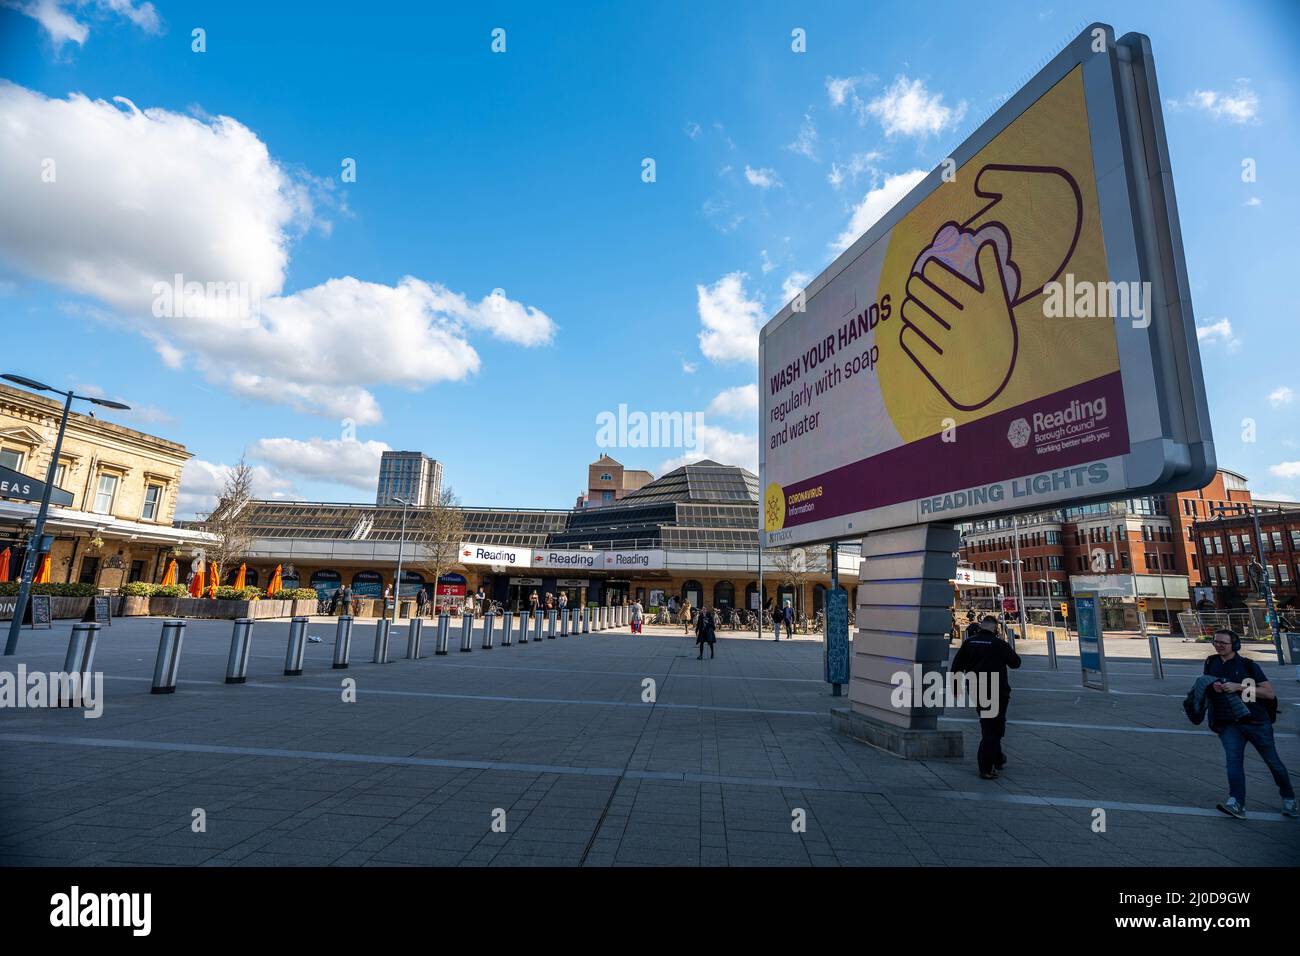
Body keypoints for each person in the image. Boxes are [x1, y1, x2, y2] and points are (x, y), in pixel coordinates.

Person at [1200, 629, 1296, 819]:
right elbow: (1208, 684)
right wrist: (1214, 688)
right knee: (1233, 763)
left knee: (1273, 762)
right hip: (1228, 723)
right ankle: (1236, 802)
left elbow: (1268, 693)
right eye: (1215, 642)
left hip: (1255, 721)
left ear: (1234, 645)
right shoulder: (1211, 662)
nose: (1218, 645)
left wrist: (1238, 687)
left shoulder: (1248, 665)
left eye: (1223, 643)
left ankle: (1289, 799)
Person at [950, 614, 1021, 779]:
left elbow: (957, 667)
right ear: (996, 628)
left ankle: (997, 757)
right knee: (994, 727)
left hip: (976, 688)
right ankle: (986, 766)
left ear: (980, 627)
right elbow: (1016, 663)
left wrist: (955, 688)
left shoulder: (969, 642)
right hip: (997, 689)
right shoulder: (999, 644)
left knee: (988, 722)